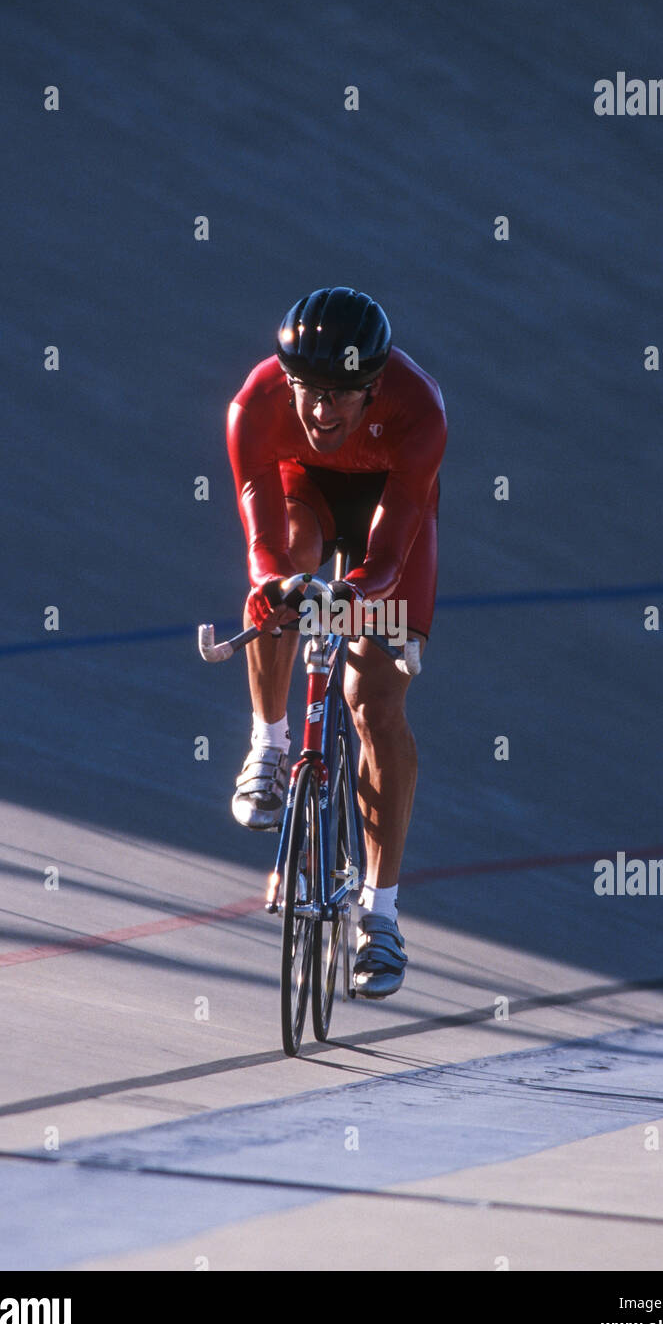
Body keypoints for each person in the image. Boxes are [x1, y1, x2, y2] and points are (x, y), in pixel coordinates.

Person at [226, 287, 446, 998]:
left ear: (374, 386)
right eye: (310, 393)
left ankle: (379, 918)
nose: (323, 412)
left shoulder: (418, 409)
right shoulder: (255, 406)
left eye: (343, 396)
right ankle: (269, 743)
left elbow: (388, 550)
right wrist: (283, 588)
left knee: (373, 702)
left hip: (389, 512)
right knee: (282, 578)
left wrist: (354, 597)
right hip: (305, 498)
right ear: (287, 381)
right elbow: (260, 540)